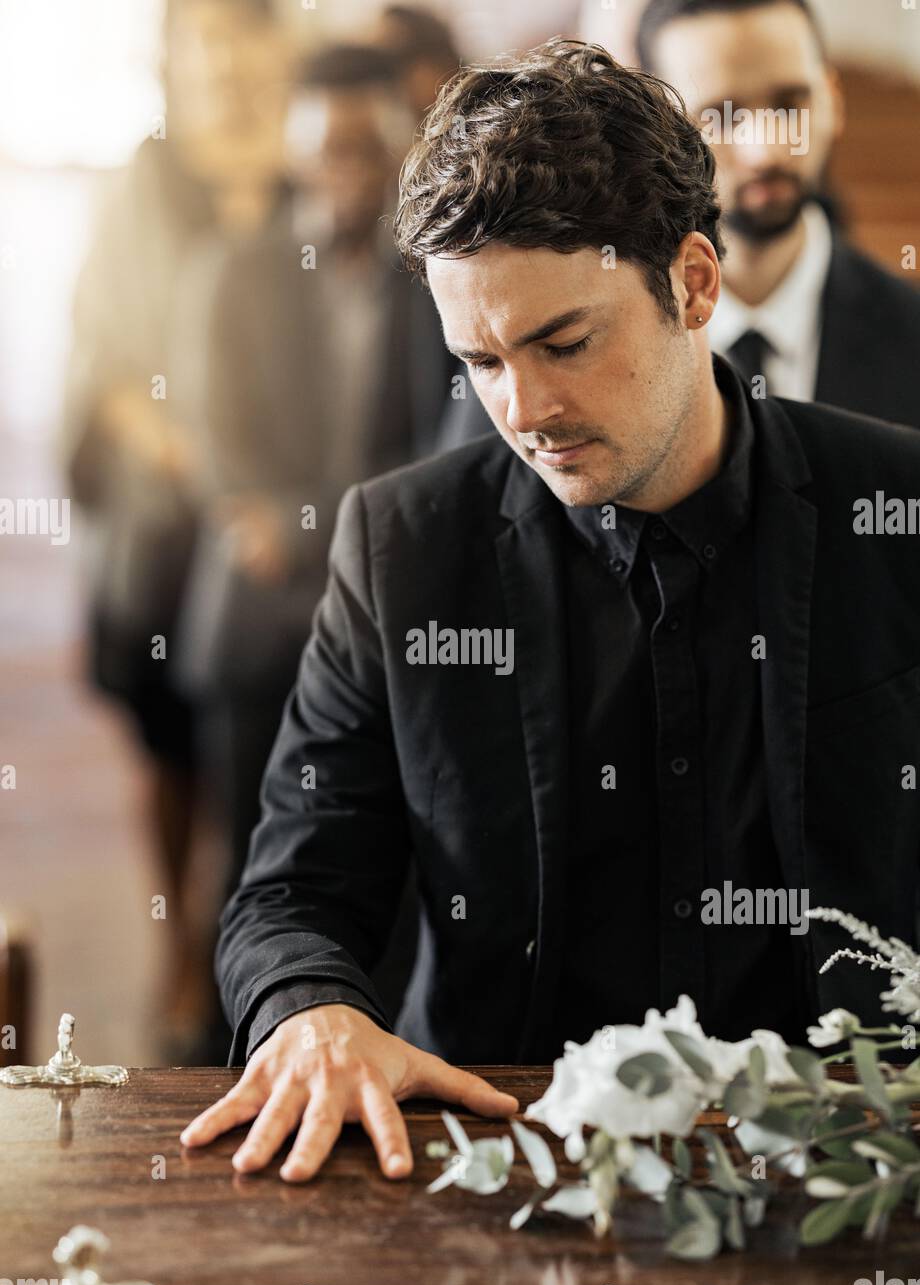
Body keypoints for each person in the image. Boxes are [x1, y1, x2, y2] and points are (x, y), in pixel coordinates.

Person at [180, 39, 920, 1186]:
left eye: (562, 342)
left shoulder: (898, 511)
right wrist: (307, 1010)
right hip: (499, 1164)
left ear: (692, 283)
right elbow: (291, 888)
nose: (522, 409)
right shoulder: (400, 550)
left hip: (849, 1167)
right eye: (476, 360)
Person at [174, 42, 456, 1059]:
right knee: (253, 856)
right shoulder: (234, 272)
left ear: (395, 147)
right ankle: (222, 1050)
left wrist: (336, 524)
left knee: (373, 851)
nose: (344, 166)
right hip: (256, 618)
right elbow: (223, 454)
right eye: (325, 146)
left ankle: (353, 1038)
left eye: (364, 144)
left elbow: (439, 451)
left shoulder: (429, 279)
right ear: (292, 148)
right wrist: (349, 521)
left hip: (382, 616)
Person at [60, 0, 295, 1056]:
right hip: (169, 515)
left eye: (243, 41)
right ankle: (177, 953)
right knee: (169, 744)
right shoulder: (145, 180)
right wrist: (199, 460)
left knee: (268, 756)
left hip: (287, 514)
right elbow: (102, 355)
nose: (226, 64)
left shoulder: (309, 161)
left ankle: (257, 936)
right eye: (205, 43)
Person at [634, 0, 920, 424]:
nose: (765, 151)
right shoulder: (619, 343)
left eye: (790, 104)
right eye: (720, 115)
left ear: (833, 101)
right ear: (660, 133)